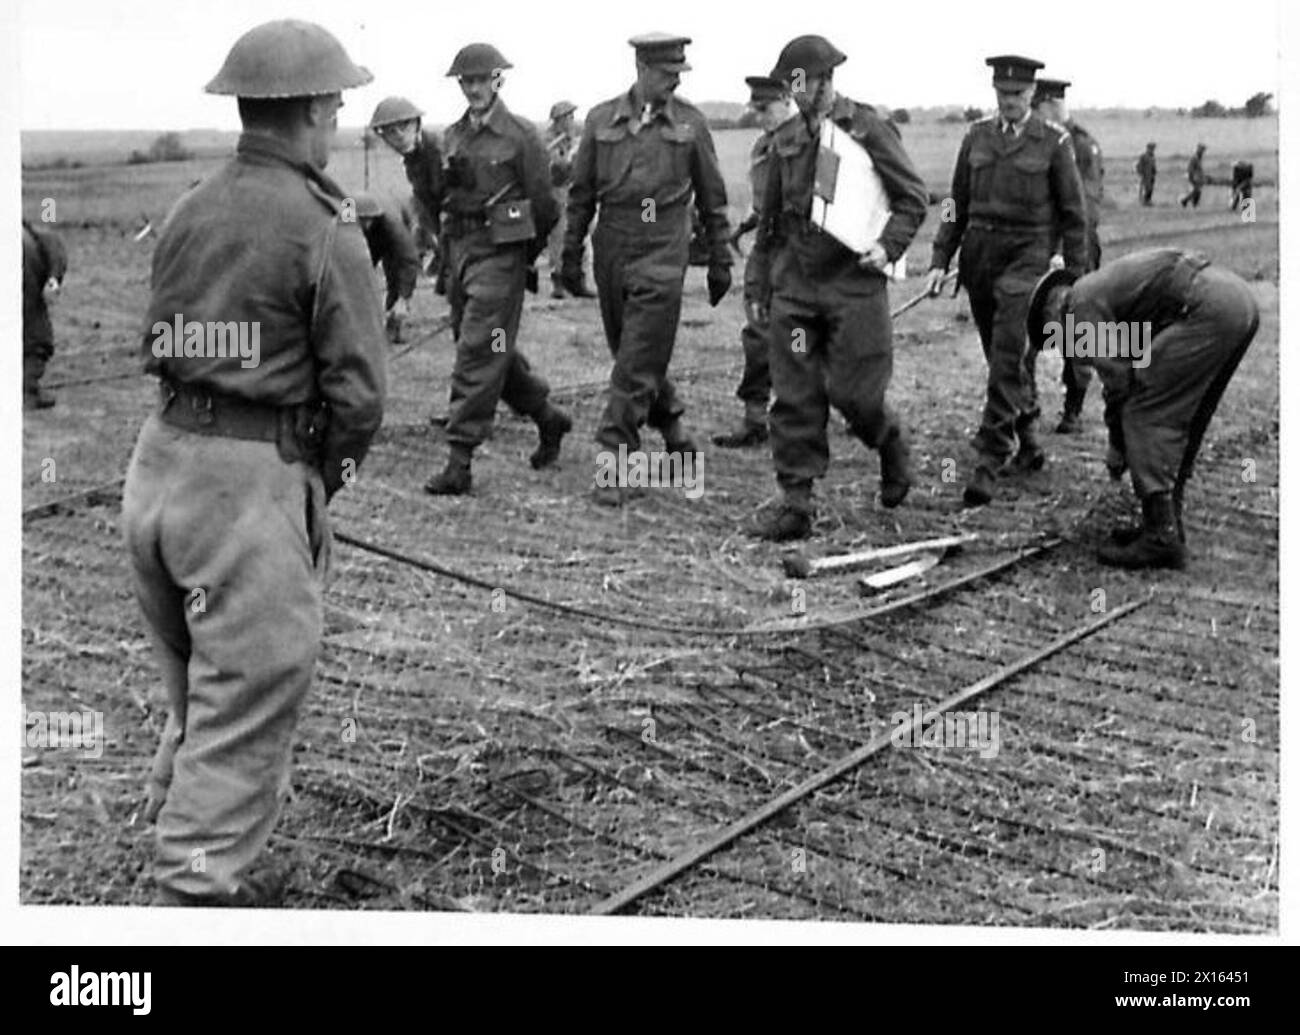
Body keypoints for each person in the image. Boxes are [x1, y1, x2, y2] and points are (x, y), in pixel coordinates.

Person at [121, 19, 387, 906]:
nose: (340, 122)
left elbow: (162, 338)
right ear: (311, 111)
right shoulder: (326, 226)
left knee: (204, 688)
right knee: (248, 690)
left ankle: (172, 820)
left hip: (157, 471)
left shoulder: (192, 206)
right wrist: (318, 480)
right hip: (245, 490)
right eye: (336, 106)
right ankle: (189, 896)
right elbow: (360, 400)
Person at [749, 36, 928, 540]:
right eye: (792, 86)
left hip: (854, 285)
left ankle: (889, 443)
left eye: (803, 84)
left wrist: (888, 247)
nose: (798, 94)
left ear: (827, 81)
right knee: (794, 392)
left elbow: (913, 198)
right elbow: (771, 219)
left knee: (855, 394)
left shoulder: (867, 129)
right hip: (797, 289)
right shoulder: (786, 137)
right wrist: (760, 282)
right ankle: (797, 501)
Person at [560, 33, 732, 507]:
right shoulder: (600, 121)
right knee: (633, 354)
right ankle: (675, 433)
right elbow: (579, 196)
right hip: (612, 247)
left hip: (663, 251)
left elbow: (713, 199)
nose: (674, 81)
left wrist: (720, 259)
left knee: (636, 360)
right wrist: (570, 256)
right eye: (665, 73)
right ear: (640, 68)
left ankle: (616, 460)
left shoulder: (692, 124)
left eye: (679, 73)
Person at [1027, 248, 1259, 569]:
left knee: (1146, 408)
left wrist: (1118, 446)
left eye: (1053, 336)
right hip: (1233, 300)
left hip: (1208, 307)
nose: (1061, 346)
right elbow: (1123, 369)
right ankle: (1168, 523)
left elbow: (1122, 385)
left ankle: (1160, 538)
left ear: (1053, 311)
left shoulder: (1080, 305)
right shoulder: (1099, 293)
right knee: (1184, 413)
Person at [926, 54, 1088, 507]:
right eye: (1003, 94)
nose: (1010, 102)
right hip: (980, 258)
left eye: (1018, 95)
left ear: (1033, 94)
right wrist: (941, 256)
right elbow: (954, 204)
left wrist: (1076, 279)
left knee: (1004, 358)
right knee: (1003, 360)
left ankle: (989, 460)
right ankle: (1030, 439)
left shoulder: (1054, 143)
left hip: (1028, 260)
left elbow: (1075, 216)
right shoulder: (976, 136)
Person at [419, 43, 573, 494]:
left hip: (501, 257)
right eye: (466, 81)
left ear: (497, 81)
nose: (474, 89)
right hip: (462, 253)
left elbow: (544, 206)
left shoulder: (522, 136)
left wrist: (523, 255)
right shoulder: (452, 136)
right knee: (488, 348)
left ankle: (459, 460)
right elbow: (444, 199)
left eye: (482, 80)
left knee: (476, 350)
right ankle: (549, 417)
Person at [711, 74, 793, 450]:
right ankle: (755, 419)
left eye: (767, 108)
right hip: (765, 248)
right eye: (756, 110)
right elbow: (761, 201)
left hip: (798, 252)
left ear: (788, 99)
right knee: (757, 333)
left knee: (799, 335)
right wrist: (743, 227)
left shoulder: (810, 142)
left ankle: (802, 416)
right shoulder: (762, 147)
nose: (761, 116)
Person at [1032, 76, 1103, 434]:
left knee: (1079, 327)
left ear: (1050, 105)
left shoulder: (1080, 145)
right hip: (1039, 249)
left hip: (1077, 252)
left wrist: (1062, 252)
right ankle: (1024, 405)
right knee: (1032, 326)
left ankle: (1073, 407)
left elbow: (1085, 210)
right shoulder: (1041, 142)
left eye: (1037, 107)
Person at [369, 96, 446, 291]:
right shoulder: (413, 158)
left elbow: (447, 199)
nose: (400, 135)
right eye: (390, 131)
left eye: (404, 126)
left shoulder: (438, 151)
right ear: (383, 136)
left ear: (417, 124)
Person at [353, 191, 421, 343]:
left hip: (393, 230)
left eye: (365, 221)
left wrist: (404, 299)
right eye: (358, 221)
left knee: (394, 277)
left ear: (372, 218)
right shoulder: (345, 218)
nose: (361, 225)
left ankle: (394, 325)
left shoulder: (393, 225)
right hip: (369, 241)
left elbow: (409, 260)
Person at [545, 100, 592, 298]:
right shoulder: (549, 140)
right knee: (558, 237)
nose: (571, 121)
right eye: (567, 117)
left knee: (582, 233)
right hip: (557, 191)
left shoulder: (573, 138)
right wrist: (572, 157)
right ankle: (557, 280)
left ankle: (578, 279)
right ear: (558, 120)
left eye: (572, 117)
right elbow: (558, 165)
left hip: (575, 190)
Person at [22, 218, 68, 409]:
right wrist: (54, 278)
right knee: (37, 334)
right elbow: (55, 246)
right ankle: (27, 390)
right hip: (22, 258)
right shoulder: (47, 240)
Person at [1180, 143, 1207, 208]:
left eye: (1203, 150)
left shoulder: (1199, 158)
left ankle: (1192, 203)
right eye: (1201, 150)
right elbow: (1190, 169)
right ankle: (1184, 201)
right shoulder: (1194, 158)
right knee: (1195, 192)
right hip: (1194, 178)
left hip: (1198, 178)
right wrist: (1191, 178)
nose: (1203, 152)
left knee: (1196, 192)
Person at [1136, 142, 1157, 206]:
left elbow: (1153, 166)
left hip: (1151, 176)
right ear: (1147, 148)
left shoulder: (1152, 156)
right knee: (1145, 189)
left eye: (1153, 148)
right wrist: (1141, 173)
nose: (1152, 150)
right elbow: (1138, 166)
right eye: (1151, 148)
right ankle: (1144, 202)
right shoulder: (1143, 156)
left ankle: (1148, 201)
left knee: (1150, 189)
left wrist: (1154, 172)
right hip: (1145, 176)